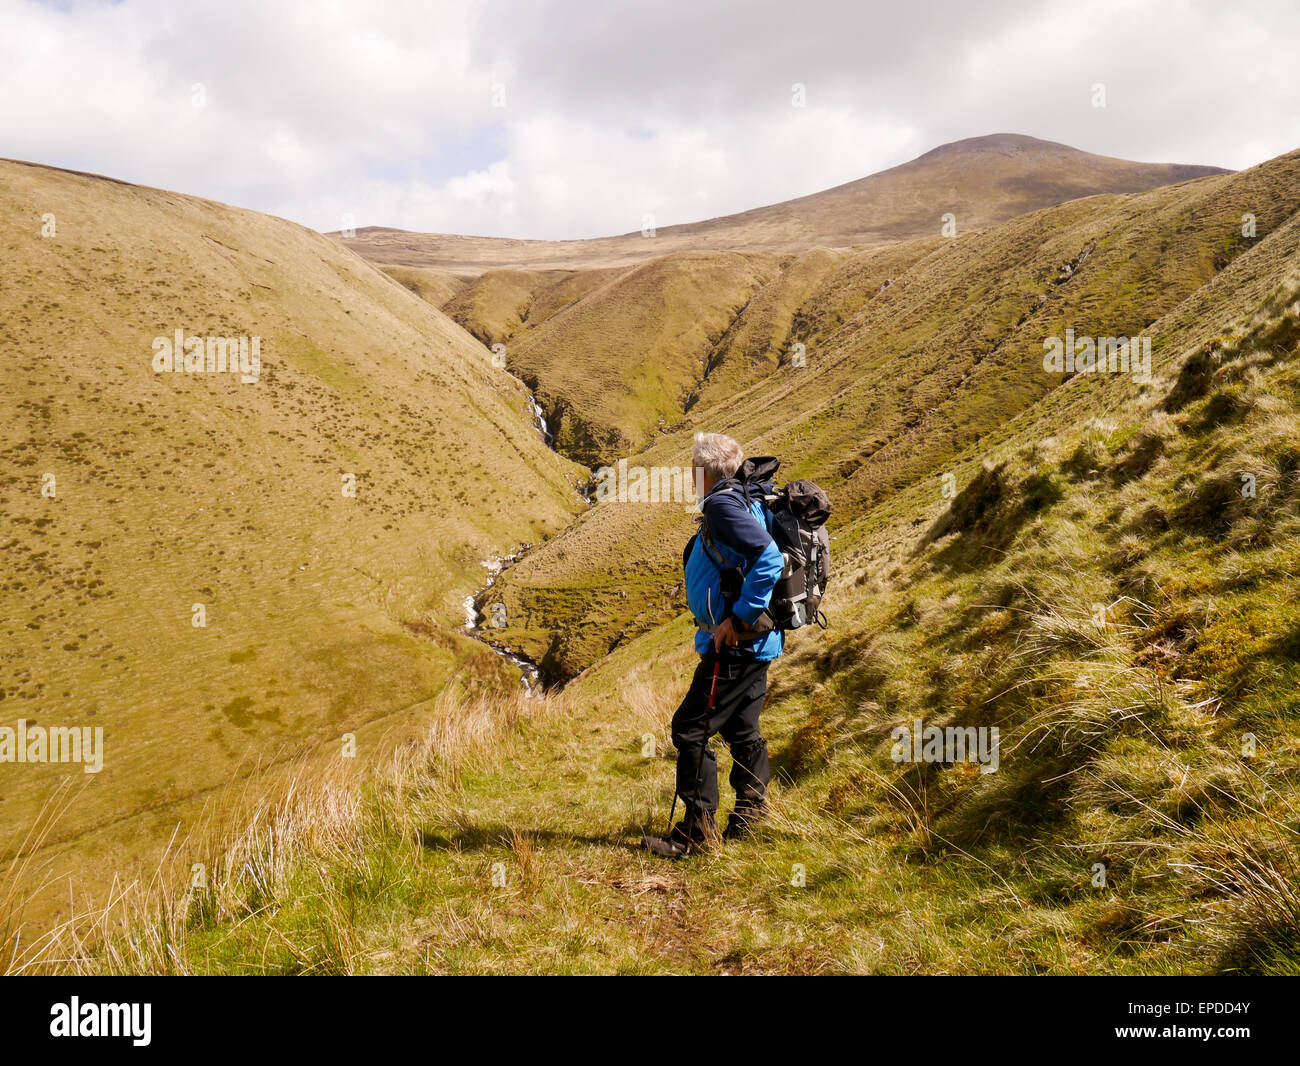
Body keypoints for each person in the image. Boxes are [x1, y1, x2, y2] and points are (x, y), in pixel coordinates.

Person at [664, 432, 784, 852]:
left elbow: (770, 559)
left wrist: (739, 617)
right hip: (756, 644)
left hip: (734, 645)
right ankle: (751, 816)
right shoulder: (743, 497)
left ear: (703, 473)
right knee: (741, 729)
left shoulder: (720, 504)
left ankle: (697, 835)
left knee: (690, 729)